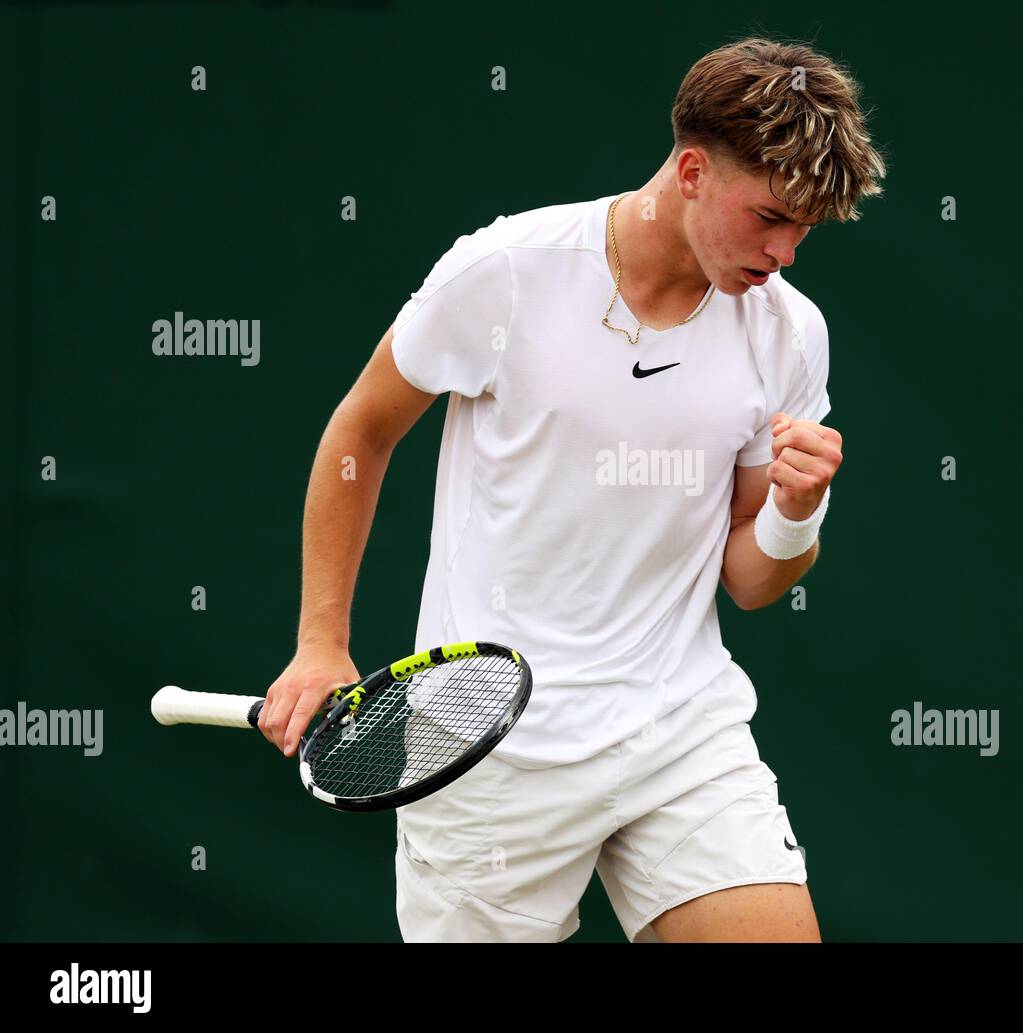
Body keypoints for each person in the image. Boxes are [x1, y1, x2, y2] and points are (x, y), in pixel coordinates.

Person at [257, 35, 885, 942]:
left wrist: (797, 509)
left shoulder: (788, 332)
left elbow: (751, 581)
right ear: (695, 170)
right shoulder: (505, 270)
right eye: (771, 218)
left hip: (680, 731)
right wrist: (321, 643)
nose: (786, 252)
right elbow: (360, 430)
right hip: (487, 749)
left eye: (805, 230)